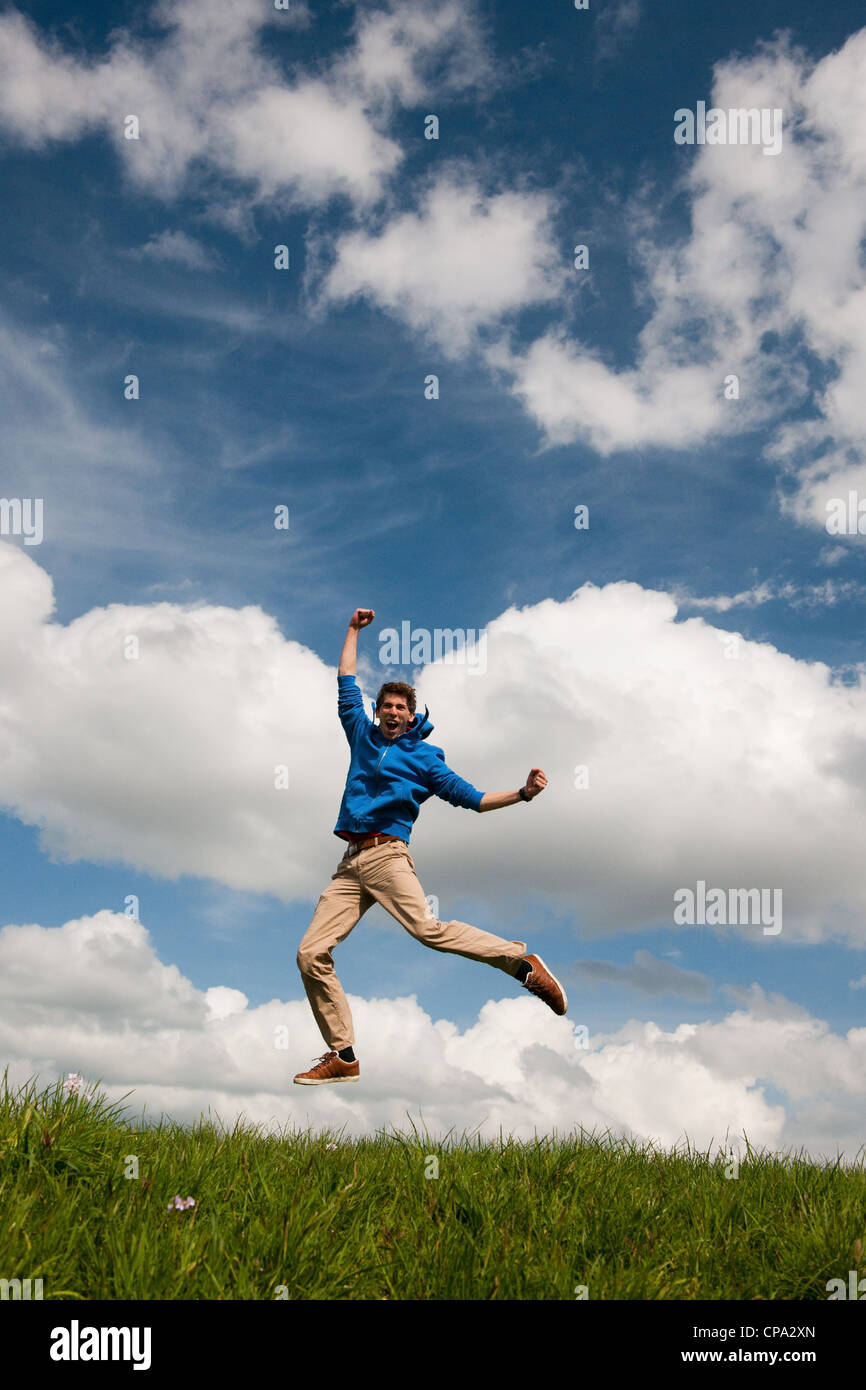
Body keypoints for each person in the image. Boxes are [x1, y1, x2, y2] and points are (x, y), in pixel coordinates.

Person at [293, 608, 567, 1084]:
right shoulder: (360, 733)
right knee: (310, 954)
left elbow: (473, 799)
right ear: (378, 712)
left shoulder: (423, 759)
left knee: (427, 931)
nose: (393, 713)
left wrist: (522, 794)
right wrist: (352, 631)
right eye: (387, 706)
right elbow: (345, 682)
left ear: (411, 716)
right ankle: (343, 1054)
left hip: (387, 857)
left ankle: (520, 962)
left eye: (402, 708)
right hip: (349, 866)